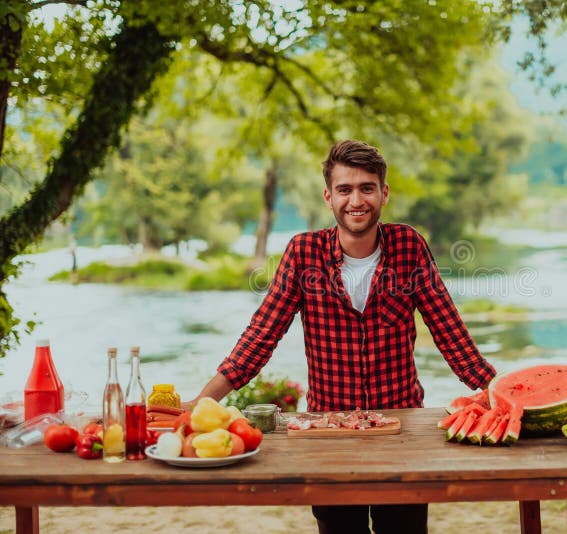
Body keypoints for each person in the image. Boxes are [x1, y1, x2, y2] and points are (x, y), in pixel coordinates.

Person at [188, 139, 496, 534]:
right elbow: (261, 336)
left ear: (384, 194)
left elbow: (451, 334)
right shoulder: (303, 253)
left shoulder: (409, 246)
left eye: (367, 188)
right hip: (326, 433)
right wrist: (202, 401)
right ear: (328, 196)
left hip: (400, 430)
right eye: (345, 189)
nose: (357, 200)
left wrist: (502, 392)